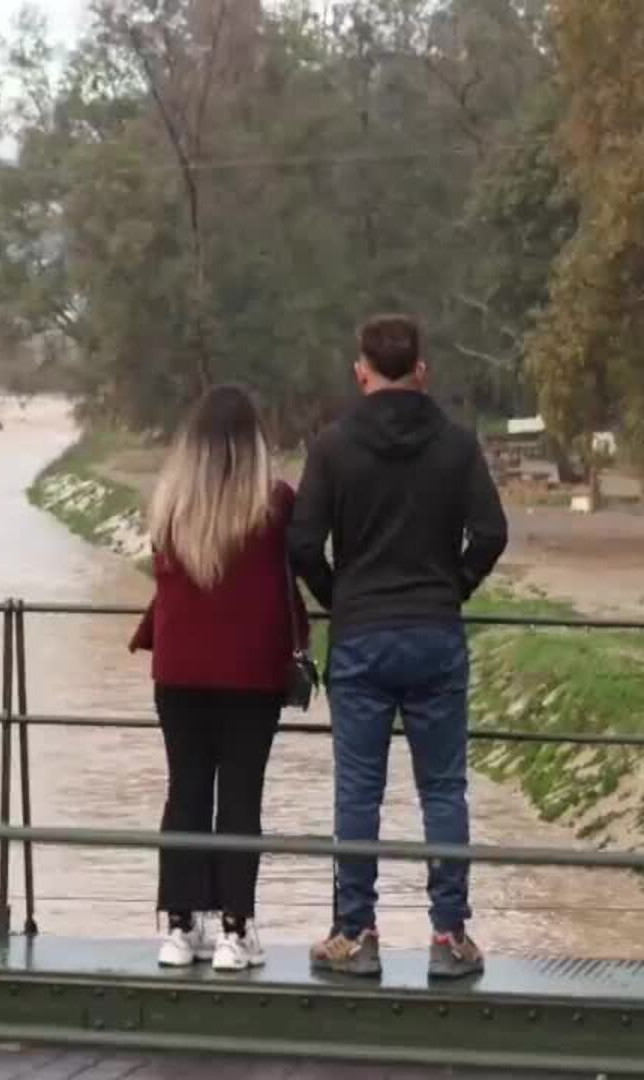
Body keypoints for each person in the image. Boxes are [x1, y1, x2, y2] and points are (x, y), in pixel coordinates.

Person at [289, 314, 508, 980]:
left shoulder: (331, 446)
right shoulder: (457, 445)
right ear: (421, 371)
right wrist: (453, 588)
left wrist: (341, 599)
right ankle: (449, 939)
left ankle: (356, 934)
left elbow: (301, 545)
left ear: (361, 372)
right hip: (435, 633)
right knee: (444, 790)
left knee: (358, 792)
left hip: (360, 638)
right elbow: (491, 533)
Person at [129, 385, 307, 973]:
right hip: (251, 674)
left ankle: (180, 930)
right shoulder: (275, 502)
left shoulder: (169, 505)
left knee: (184, 791)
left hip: (178, 672)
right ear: (253, 442)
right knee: (239, 797)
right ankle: (237, 931)